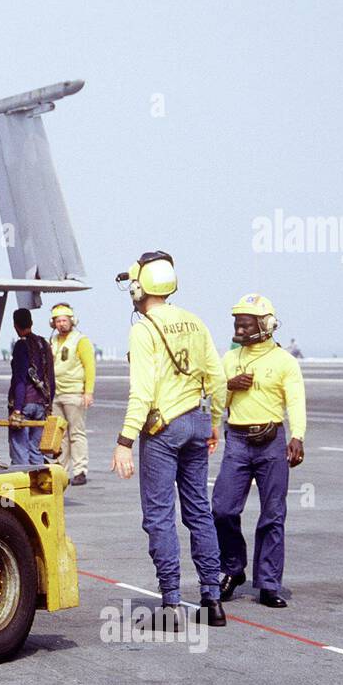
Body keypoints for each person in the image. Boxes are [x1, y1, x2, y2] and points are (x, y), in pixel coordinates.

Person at [110, 251, 227, 627]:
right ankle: (212, 598)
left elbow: (141, 393)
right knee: (198, 511)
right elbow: (218, 379)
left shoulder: (143, 329)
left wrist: (124, 442)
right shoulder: (195, 322)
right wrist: (214, 422)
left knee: (160, 516)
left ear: (139, 288)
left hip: (163, 430)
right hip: (196, 421)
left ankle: (173, 602)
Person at [211, 295, 306, 609]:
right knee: (223, 509)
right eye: (237, 321)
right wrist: (230, 386)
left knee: (272, 515)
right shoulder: (230, 359)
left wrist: (298, 437)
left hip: (271, 441)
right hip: (237, 441)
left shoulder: (284, 361)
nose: (239, 327)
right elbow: (216, 401)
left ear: (265, 325)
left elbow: (295, 401)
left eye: (246, 322)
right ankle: (233, 569)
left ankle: (268, 583)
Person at [48, 303, 95, 486]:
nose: (61, 324)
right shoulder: (53, 341)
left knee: (76, 432)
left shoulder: (80, 340)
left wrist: (88, 392)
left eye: (64, 320)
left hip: (74, 392)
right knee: (61, 435)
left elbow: (89, 366)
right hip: (56, 394)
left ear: (72, 321)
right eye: (58, 321)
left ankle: (80, 470)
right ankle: (61, 470)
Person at [7, 308, 54, 466]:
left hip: (24, 404)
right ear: (31, 323)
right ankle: (38, 482)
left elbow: (20, 379)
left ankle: (23, 483)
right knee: (36, 449)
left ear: (15, 325)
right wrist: (49, 403)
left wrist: (18, 409)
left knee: (20, 449)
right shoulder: (43, 343)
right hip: (41, 404)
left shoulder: (21, 346)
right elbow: (50, 377)